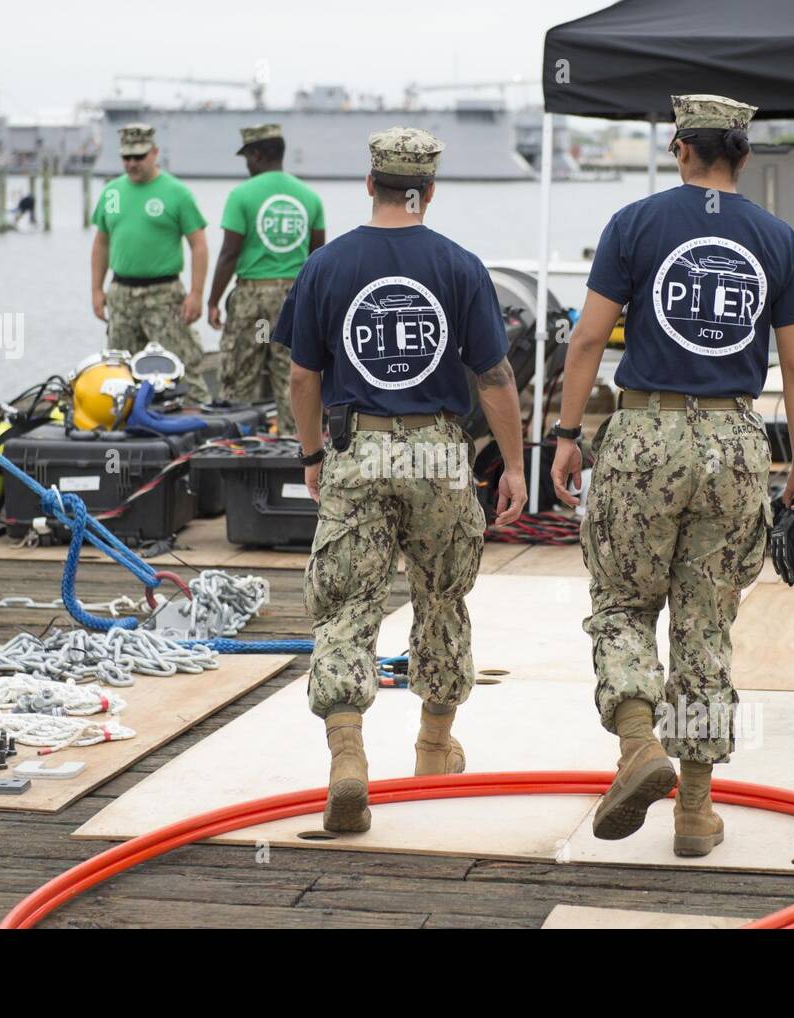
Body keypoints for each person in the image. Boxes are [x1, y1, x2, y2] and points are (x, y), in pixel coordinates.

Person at [551, 94, 794, 857]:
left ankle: (638, 745)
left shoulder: (635, 224)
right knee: (707, 625)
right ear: (743, 155)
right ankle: (695, 815)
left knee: (623, 604)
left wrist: (568, 435)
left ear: (679, 148)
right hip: (735, 440)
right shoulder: (778, 238)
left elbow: (586, 342)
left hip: (643, 434)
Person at [273, 127, 527, 833]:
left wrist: (312, 456)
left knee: (346, 606)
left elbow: (301, 376)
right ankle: (433, 747)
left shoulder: (326, 265)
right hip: (441, 455)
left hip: (360, 447)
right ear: (430, 190)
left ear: (369, 184)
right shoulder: (460, 265)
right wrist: (513, 463)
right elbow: (496, 376)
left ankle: (348, 759)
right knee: (442, 599)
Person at [209, 124, 325, 434]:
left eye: (247, 157)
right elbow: (319, 258)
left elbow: (229, 254)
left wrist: (213, 301)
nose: (247, 164)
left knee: (238, 375)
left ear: (257, 155)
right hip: (294, 297)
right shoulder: (309, 197)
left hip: (252, 298)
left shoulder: (241, 195)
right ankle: (296, 447)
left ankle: (236, 441)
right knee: (293, 375)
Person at [91, 123, 210, 400]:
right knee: (120, 371)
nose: (132, 164)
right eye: (126, 158)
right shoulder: (112, 192)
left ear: (154, 153)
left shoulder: (177, 193)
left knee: (184, 368)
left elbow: (199, 245)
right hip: (121, 293)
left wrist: (196, 293)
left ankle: (201, 424)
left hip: (164, 295)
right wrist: (97, 289)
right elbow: (101, 242)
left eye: (139, 157)